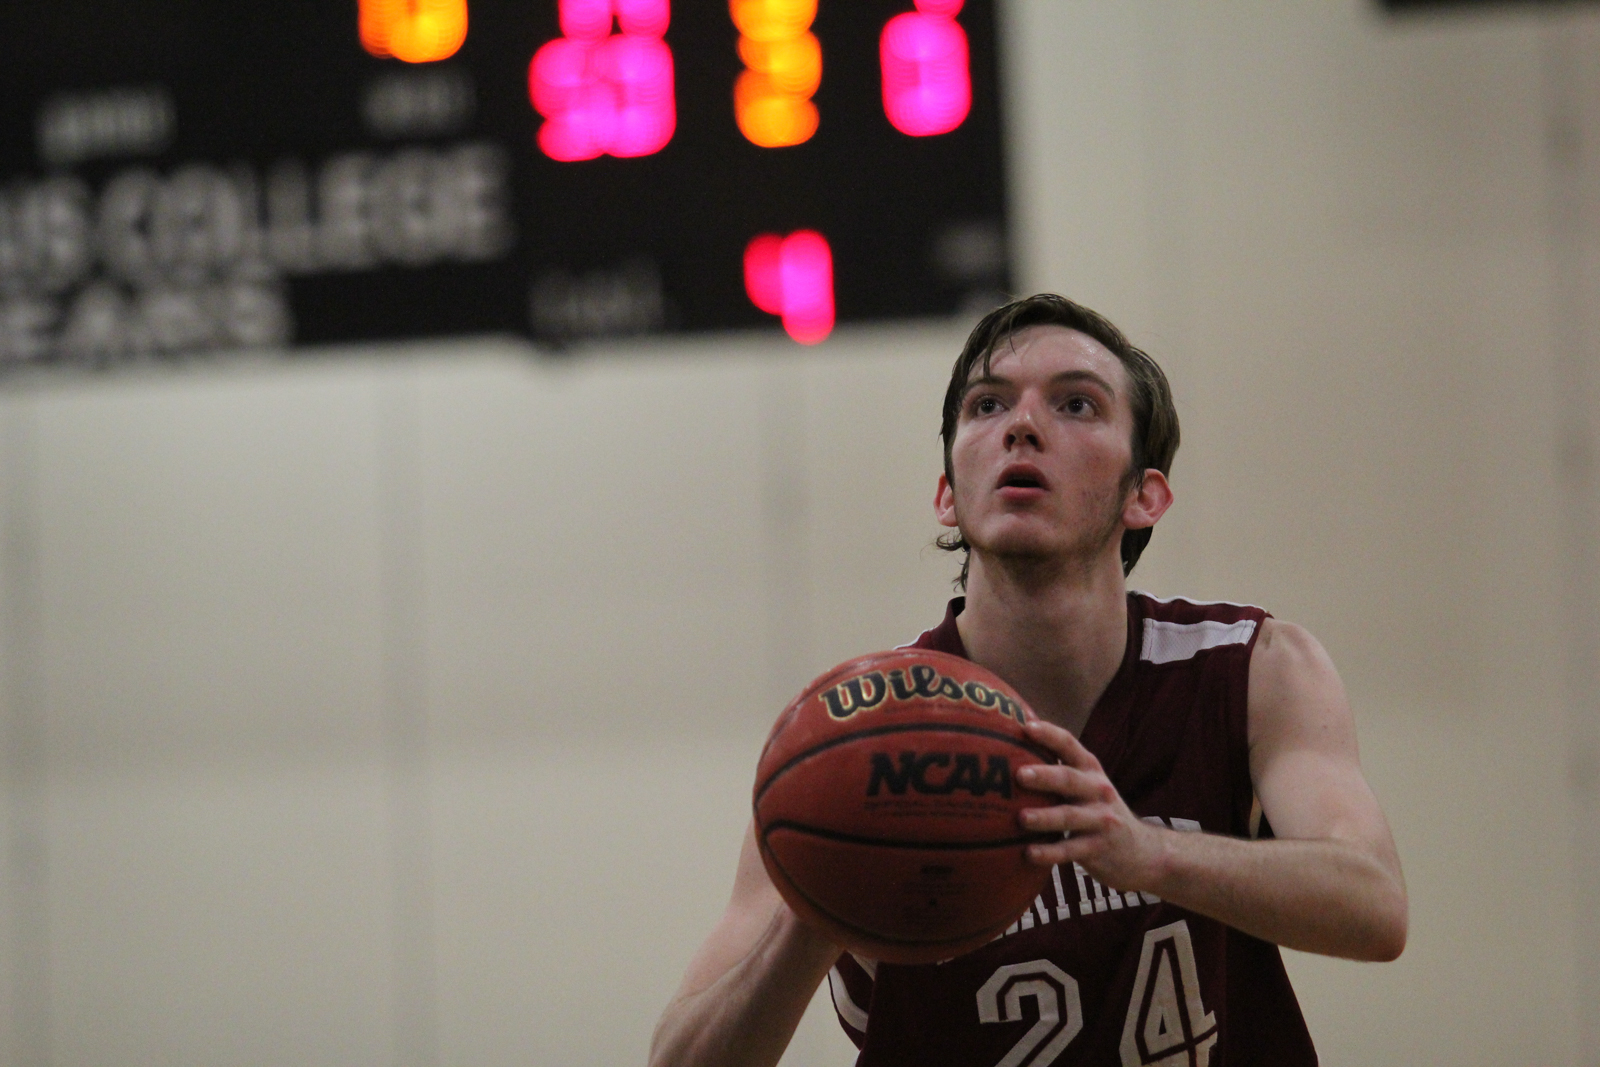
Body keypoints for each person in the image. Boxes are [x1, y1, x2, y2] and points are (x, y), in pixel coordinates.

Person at [649, 294, 1407, 1067]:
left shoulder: (1252, 666)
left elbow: (1374, 903)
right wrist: (815, 911)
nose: (1021, 423)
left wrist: (1148, 854)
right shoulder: (852, 740)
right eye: (987, 405)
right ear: (948, 492)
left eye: (1076, 403)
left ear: (1145, 495)